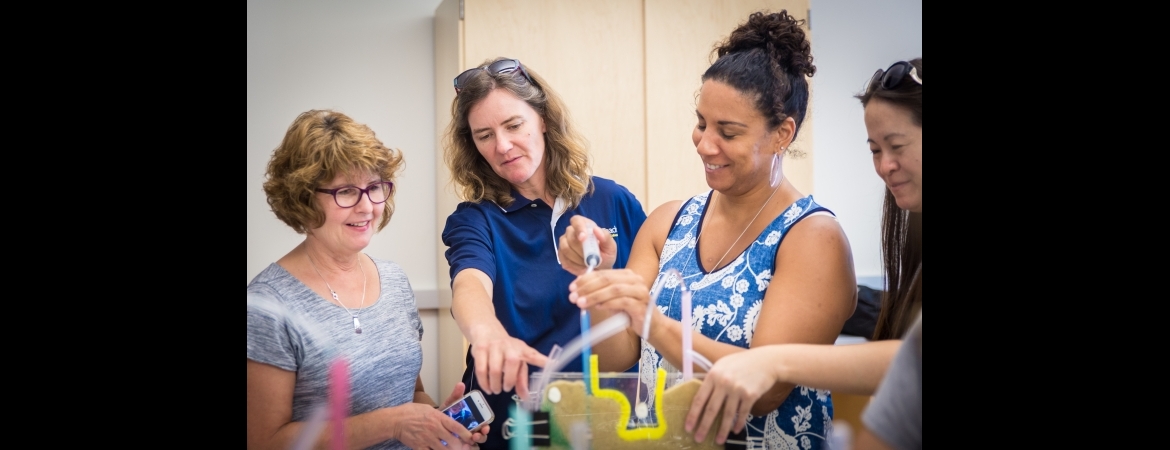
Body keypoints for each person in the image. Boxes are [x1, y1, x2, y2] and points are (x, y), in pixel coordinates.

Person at [559, 11, 857, 449]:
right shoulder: (669, 223)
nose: (705, 143)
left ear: (782, 135)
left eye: (728, 132)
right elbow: (618, 358)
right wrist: (598, 278)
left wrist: (655, 324)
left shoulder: (813, 239)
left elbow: (765, 390)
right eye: (701, 122)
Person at [684, 58, 922, 449]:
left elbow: (910, 358)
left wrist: (772, 361)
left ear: (782, 134)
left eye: (896, 146)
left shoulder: (813, 235)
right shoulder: (678, 219)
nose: (884, 166)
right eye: (875, 150)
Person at [248, 109, 488, 450]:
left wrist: (438, 423)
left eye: (374, 187)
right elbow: (264, 441)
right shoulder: (267, 305)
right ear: (303, 196)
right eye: (346, 191)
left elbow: (413, 394)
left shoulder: (392, 280)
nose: (366, 207)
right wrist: (392, 423)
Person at [440, 57, 648, 449]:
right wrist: (487, 334)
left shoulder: (612, 200)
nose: (502, 146)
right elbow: (469, 284)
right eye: (484, 135)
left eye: (514, 126)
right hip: (511, 426)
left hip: (605, 423)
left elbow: (650, 310)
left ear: (543, 119)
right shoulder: (476, 220)